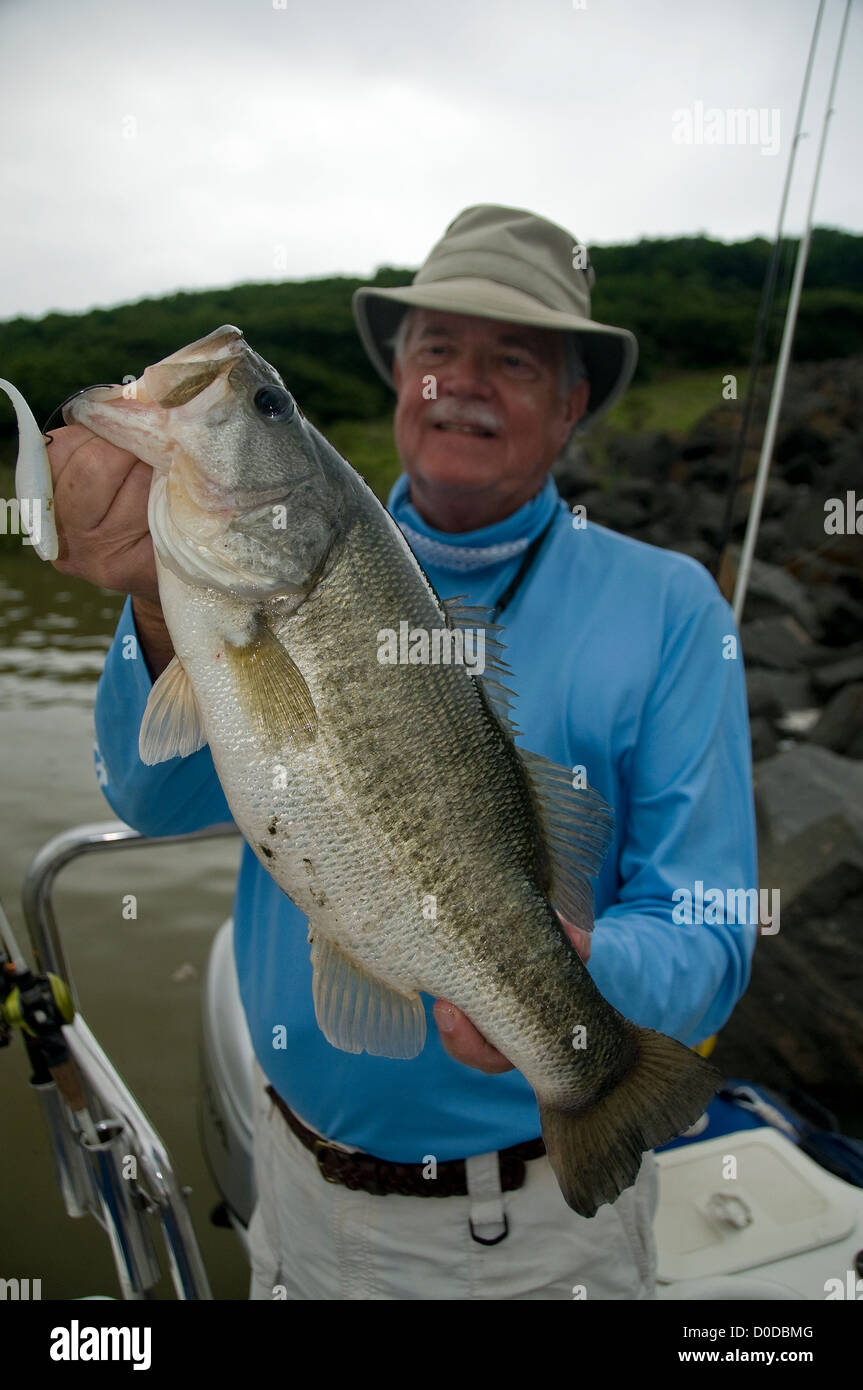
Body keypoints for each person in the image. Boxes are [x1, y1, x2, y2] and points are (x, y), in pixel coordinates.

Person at [46, 204, 758, 1301]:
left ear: (571, 403)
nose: (459, 382)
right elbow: (151, 799)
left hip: (539, 1229)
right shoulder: (243, 568)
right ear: (396, 380)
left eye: (512, 358)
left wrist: (560, 986)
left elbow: (711, 930)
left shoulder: (668, 607)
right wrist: (152, 601)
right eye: (434, 349)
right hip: (296, 1188)